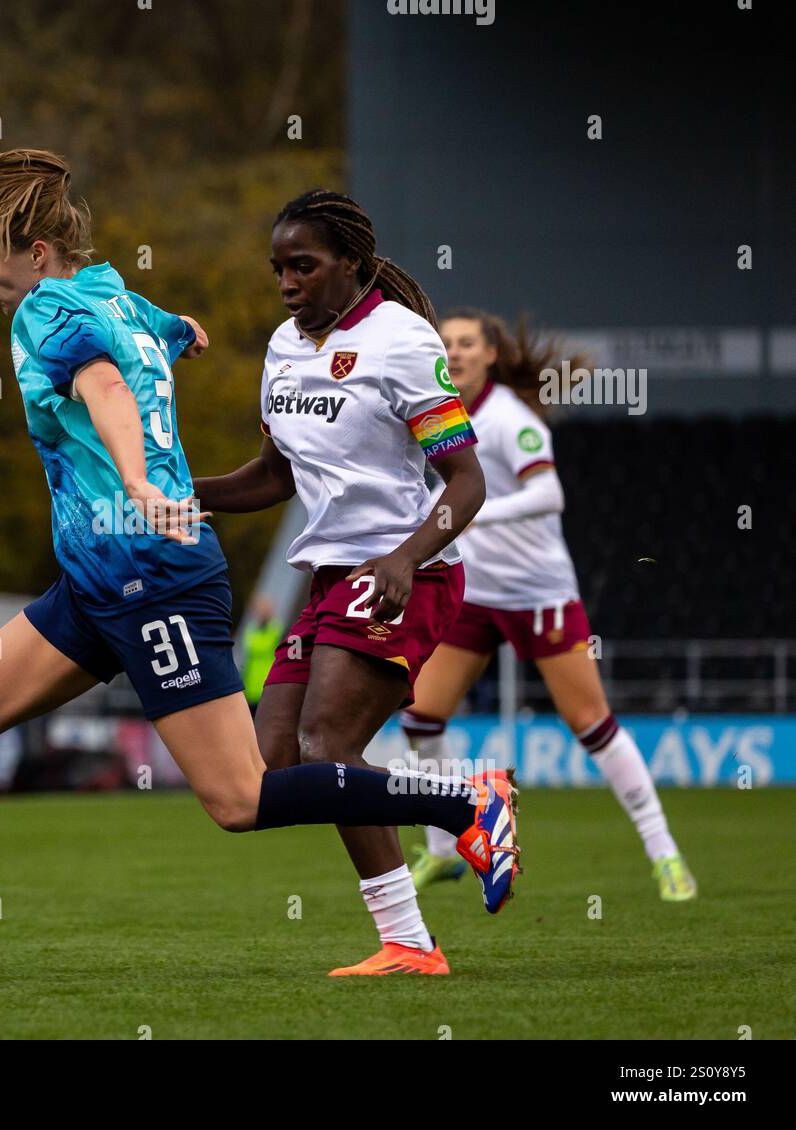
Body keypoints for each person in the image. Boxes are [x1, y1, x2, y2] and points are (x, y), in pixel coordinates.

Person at [0, 150, 518, 968]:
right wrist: (181, 331)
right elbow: (149, 328)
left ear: (37, 255)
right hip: (91, 583)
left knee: (239, 797)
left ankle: (457, 801)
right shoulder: (112, 293)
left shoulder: (45, 314)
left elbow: (107, 391)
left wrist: (135, 480)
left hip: (153, 578)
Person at [195, 190, 495, 976]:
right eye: (279, 270)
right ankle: (412, 941)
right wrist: (178, 494)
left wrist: (403, 556)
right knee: (280, 772)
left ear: (354, 266)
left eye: (305, 266)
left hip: (407, 574)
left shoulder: (401, 342)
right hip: (329, 577)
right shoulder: (282, 348)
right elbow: (270, 476)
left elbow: (466, 482)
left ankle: (467, 808)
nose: (288, 283)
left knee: (329, 744)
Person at [403, 309, 696, 901]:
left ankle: (665, 854)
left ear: (490, 355)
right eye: (446, 343)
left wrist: (471, 513)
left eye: (466, 343)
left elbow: (549, 492)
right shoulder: (435, 416)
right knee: (420, 717)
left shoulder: (509, 419)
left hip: (540, 595)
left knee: (591, 726)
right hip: (475, 594)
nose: (454, 352)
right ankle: (444, 851)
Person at [240, 594, 283, 717]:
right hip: (250, 688)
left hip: (268, 687)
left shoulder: (277, 630)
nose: (261, 612)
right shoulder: (250, 630)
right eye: (259, 609)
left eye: (265, 609)